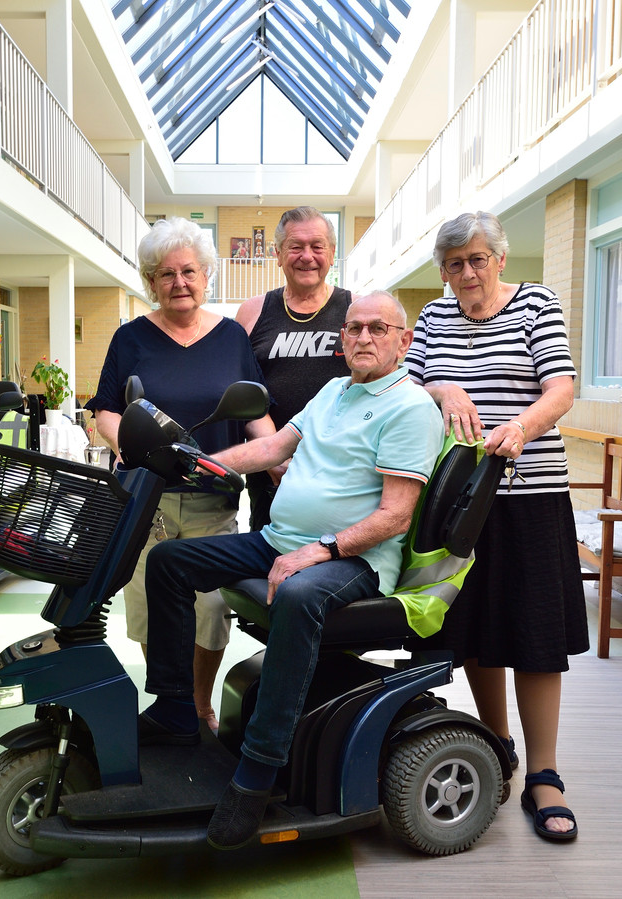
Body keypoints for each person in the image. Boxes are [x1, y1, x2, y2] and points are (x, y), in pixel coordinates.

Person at [137, 292, 443, 850]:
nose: (363, 337)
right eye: (354, 328)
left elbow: (396, 516)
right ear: (341, 338)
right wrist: (190, 464)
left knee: (300, 596)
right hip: (280, 542)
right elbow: (271, 448)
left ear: (403, 341)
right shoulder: (333, 391)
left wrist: (322, 549)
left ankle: (258, 771)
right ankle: (177, 708)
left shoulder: (410, 407)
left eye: (378, 328)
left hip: (355, 560)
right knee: (169, 562)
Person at [404, 211, 588, 843]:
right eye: (454, 264)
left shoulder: (536, 304)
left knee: (535, 633)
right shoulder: (433, 317)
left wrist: (522, 427)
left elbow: (561, 390)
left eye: (477, 259)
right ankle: (498, 744)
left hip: (529, 496)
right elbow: (409, 386)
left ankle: (545, 776)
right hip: (458, 502)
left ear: (500, 259)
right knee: (478, 630)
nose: (467, 273)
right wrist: (443, 391)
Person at [87, 217, 274, 733]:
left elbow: (256, 414)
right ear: (151, 281)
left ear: (206, 275)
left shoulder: (231, 337)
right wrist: (130, 445)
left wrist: (282, 458)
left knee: (210, 610)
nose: (179, 282)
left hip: (213, 499)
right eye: (166, 274)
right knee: (150, 608)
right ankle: (172, 707)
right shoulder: (130, 337)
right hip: (147, 500)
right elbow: (105, 411)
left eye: (189, 271)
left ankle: (199, 705)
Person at [235, 207, 352, 531]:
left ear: (332, 253)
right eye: (295, 246)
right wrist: (273, 454)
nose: (307, 256)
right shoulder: (252, 312)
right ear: (278, 253)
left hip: (343, 473)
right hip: (271, 476)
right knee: (268, 557)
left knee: (337, 556)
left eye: (317, 246)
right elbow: (240, 392)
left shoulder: (355, 309)